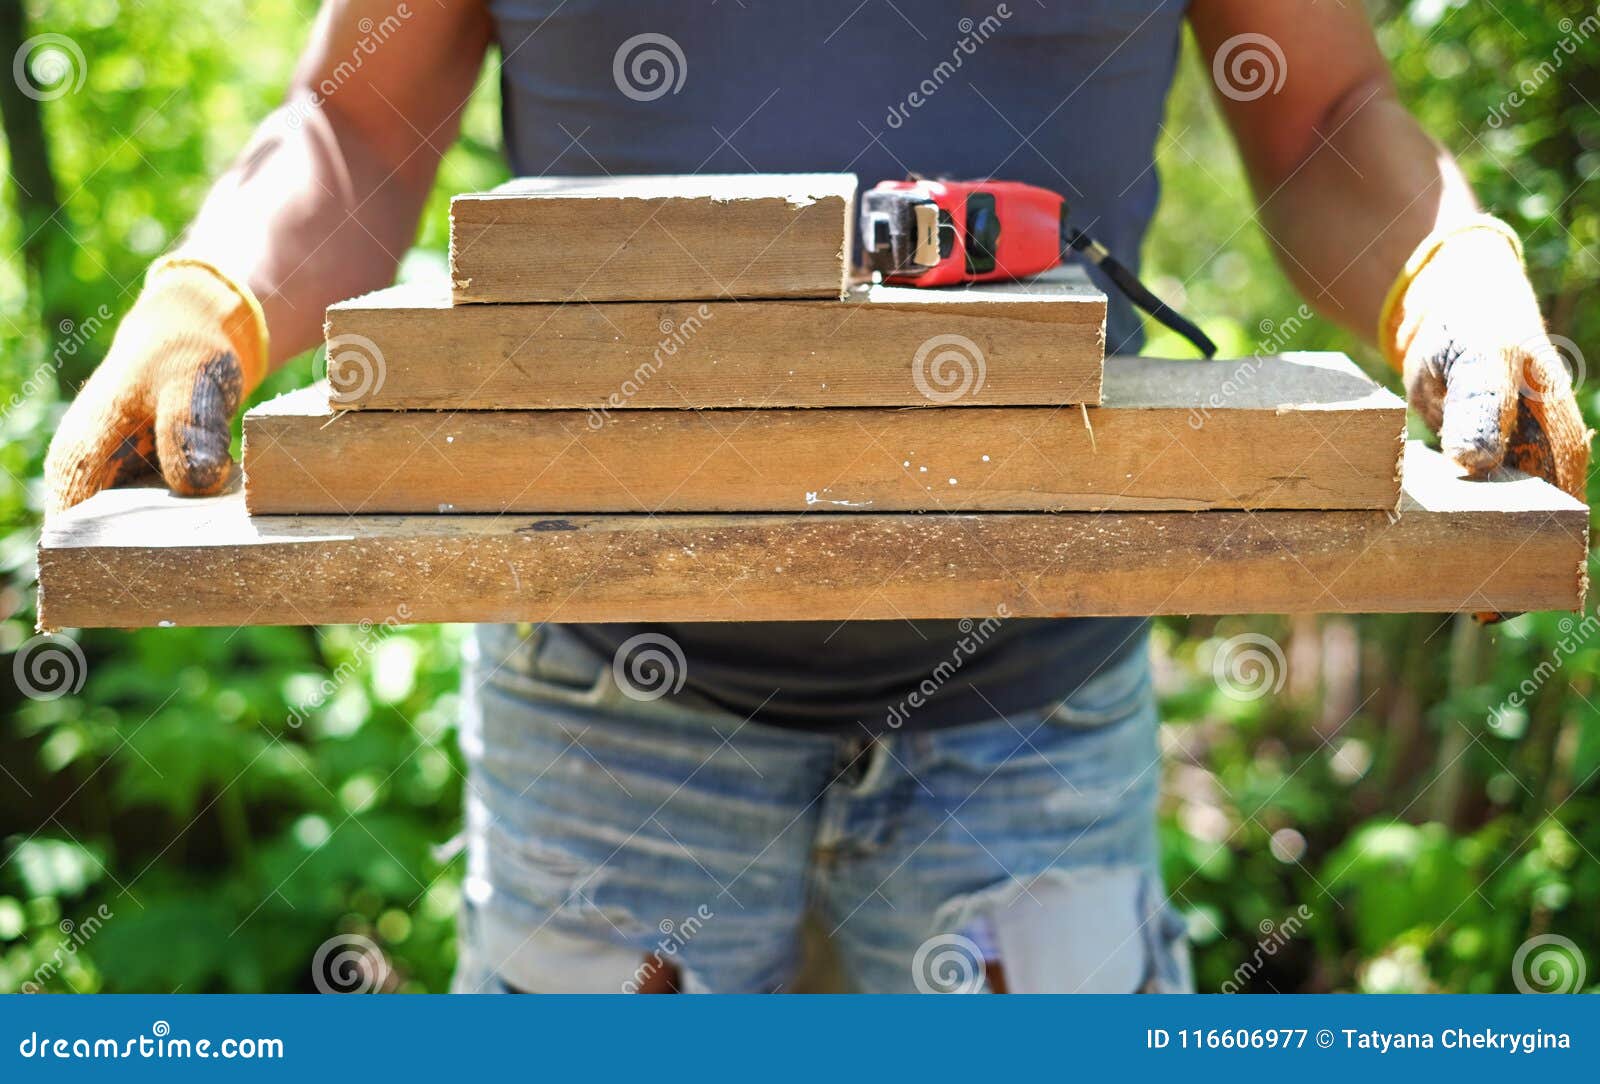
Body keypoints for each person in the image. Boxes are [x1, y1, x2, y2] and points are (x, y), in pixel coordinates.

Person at [44, 1, 1588, 993]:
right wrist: (215, 292)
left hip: (1029, 704)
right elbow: (356, 118)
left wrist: (1448, 265)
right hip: (607, 702)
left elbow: (1314, 106)